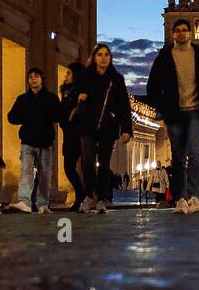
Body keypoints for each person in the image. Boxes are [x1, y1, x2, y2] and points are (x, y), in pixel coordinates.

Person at [147, 19, 199, 215]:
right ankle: (180, 198)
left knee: (195, 154)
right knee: (178, 157)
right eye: (177, 31)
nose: (181, 33)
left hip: (196, 112)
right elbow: (152, 86)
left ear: (190, 33)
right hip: (175, 113)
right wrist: (161, 110)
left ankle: (195, 196)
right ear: (173, 34)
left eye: (184, 30)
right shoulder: (164, 56)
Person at [73, 45, 132, 214]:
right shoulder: (85, 77)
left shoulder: (116, 79)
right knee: (88, 162)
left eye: (107, 55)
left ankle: (101, 199)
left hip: (108, 127)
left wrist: (126, 128)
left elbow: (124, 105)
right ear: (94, 57)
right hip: (88, 126)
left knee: (104, 165)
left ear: (110, 58)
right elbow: (73, 95)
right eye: (100, 55)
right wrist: (79, 97)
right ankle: (89, 195)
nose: (103, 58)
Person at [7, 67, 60, 213]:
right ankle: (25, 201)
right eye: (30, 77)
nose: (33, 79)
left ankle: (43, 204)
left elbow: (58, 115)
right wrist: (24, 118)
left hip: (45, 141)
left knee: (44, 174)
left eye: (36, 76)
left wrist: (45, 116)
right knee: (26, 171)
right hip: (28, 141)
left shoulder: (51, 98)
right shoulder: (22, 99)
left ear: (42, 78)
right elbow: (11, 116)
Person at [58, 63, 86, 211]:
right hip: (68, 133)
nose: (65, 76)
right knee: (68, 167)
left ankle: (83, 196)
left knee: (82, 166)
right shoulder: (65, 92)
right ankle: (81, 194)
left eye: (68, 73)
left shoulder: (81, 92)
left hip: (79, 133)